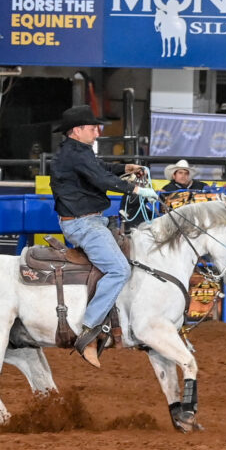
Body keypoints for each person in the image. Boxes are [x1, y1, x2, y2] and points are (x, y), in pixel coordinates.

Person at [51, 105, 157, 369]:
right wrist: (136, 190)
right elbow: (100, 178)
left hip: (89, 220)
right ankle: (89, 328)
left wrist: (125, 167)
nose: (97, 133)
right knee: (120, 270)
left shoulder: (77, 152)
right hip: (83, 224)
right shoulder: (75, 155)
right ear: (77, 130)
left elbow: (99, 167)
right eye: (92, 128)